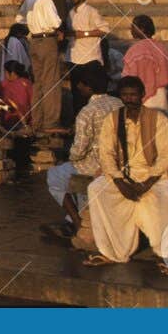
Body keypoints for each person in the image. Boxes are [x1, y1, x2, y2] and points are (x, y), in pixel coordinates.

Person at [84, 76, 168, 269]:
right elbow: (106, 154)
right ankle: (112, 252)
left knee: (166, 197)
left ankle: (164, 255)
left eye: (133, 95)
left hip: (154, 176)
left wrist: (145, 184)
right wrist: (120, 182)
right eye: (125, 95)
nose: (129, 99)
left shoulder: (157, 118)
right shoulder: (112, 119)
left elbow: (167, 155)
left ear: (142, 95)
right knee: (96, 189)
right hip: (122, 176)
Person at [44, 64, 120, 239]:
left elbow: (78, 151)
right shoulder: (119, 103)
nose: (78, 87)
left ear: (88, 86)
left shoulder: (87, 112)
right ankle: (73, 219)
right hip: (119, 160)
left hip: (95, 165)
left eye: (80, 84)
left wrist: (68, 157)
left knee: (54, 175)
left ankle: (78, 223)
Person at [22, 0, 64, 132]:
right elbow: (56, 22)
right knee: (51, 82)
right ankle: (51, 123)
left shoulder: (29, 0)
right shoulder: (46, 1)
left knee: (38, 83)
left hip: (34, 41)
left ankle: (37, 122)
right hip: (47, 41)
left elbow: (19, 20)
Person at [121, 14, 168, 113]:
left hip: (140, 100)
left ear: (142, 29)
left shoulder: (134, 50)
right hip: (161, 98)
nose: (131, 30)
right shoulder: (161, 48)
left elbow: (128, 80)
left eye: (133, 27)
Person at [64, 0, 107, 71]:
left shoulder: (92, 11)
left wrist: (84, 34)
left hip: (90, 58)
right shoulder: (70, 13)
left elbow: (104, 31)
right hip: (73, 56)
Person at [0, 61, 34, 129]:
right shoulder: (28, 83)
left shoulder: (22, 84)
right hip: (25, 119)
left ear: (13, 73)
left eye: (6, 72)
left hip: (13, 119)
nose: (5, 75)